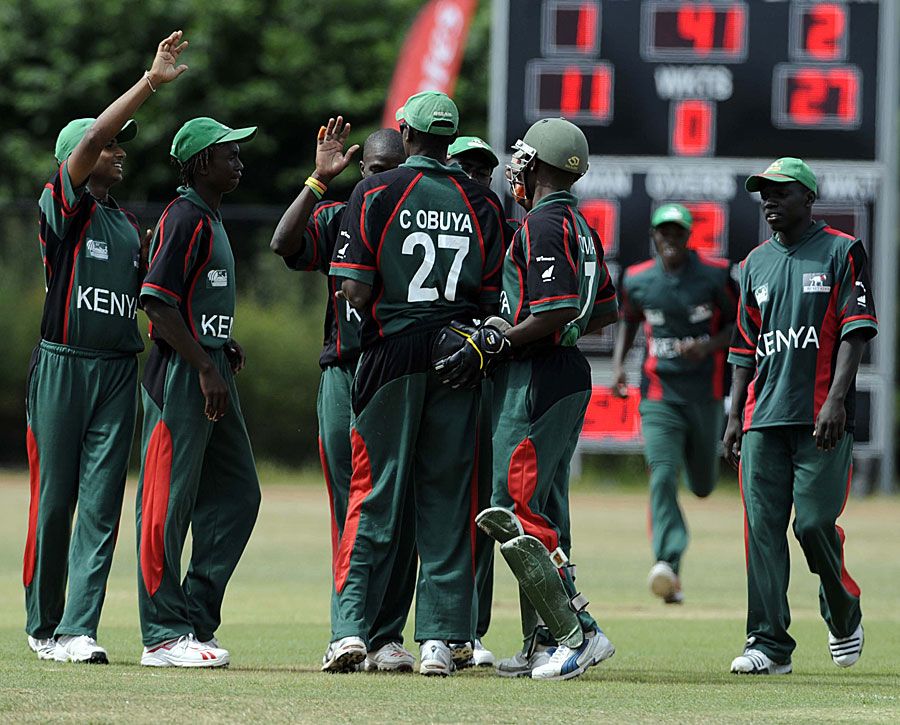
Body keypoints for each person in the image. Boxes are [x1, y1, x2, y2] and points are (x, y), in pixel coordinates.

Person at [325, 91, 505, 676]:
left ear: (404, 132)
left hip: (391, 354)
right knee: (448, 501)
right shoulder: (483, 200)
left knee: (372, 494)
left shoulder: (375, 190)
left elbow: (353, 288)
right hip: (458, 354)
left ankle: (349, 630)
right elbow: (490, 302)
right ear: (450, 139)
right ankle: (439, 641)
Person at [23, 31, 189, 664]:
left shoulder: (125, 223)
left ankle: (78, 629)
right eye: (112, 146)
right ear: (81, 157)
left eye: (121, 146)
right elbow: (93, 136)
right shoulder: (61, 206)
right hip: (63, 367)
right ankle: (43, 626)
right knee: (55, 502)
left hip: (118, 372)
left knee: (101, 505)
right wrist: (149, 82)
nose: (119, 153)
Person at [270, 119, 418, 672]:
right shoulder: (341, 215)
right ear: (361, 172)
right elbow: (283, 243)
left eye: (394, 171)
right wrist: (317, 180)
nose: (383, 180)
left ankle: (385, 635)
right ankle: (348, 631)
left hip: (399, 374)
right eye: (375, 170)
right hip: (343, 370)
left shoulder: (419, 220)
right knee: (348, 503)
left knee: (398, 504)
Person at [475, 118, 618, 681]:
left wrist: (502, 338)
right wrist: (551, 326)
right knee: (546, 509)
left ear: (538, 165)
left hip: (536, 376)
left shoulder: (542, 222)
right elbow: (603, 310)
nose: (516, 166)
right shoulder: (581, 225)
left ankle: (579, 633)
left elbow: (554, 310)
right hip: (565, 371)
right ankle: (542, 639)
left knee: (511, 509)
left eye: (523, 158)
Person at [723, 157, 876, 675]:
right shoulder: (754, 264)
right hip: (762, 419)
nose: (769, 200)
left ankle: (843, 609)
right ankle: (768, 643)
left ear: (808, 198)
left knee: (811, 524)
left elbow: (857, 330)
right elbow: (744, 347)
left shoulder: (842, 250)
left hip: (820, 420)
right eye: (764, 193)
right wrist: (733, 416)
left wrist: (836, 399)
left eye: (781, 192)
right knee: (762, 532)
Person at [136, 116, 261, 668]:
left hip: (209, 365)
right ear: (202, 162)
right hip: (181, 376)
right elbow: (156, 302)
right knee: (166, 504)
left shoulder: (210, 217)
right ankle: (162, 636)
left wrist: (219, 344)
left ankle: (193, 618)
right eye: (230, 154)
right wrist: (203, 365)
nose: (239, 163)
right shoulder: (184, 216)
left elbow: (190, 301)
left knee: (239, 492)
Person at [612, 203, 737, 604]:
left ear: (688, 236)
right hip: (659, 395)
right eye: (663, 232)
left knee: (702, 486)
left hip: (704, 395)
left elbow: (739, 325)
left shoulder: (715, 275)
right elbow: (629, 320)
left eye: (677, 232)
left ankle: (673, 555)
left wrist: (708, 346)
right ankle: (667, 562)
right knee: (662, 474)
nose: (670, 239)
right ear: (654, 235)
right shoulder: (638, 279)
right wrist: (618, 366)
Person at [444, 135, 506, 669]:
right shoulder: (425, 211)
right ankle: (395, 629)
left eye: (484, 170)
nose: (476, 178)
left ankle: (467, 629)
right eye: (465, 167)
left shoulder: (497, 221)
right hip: (425, 364)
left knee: (479, 503)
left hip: (480, 370)